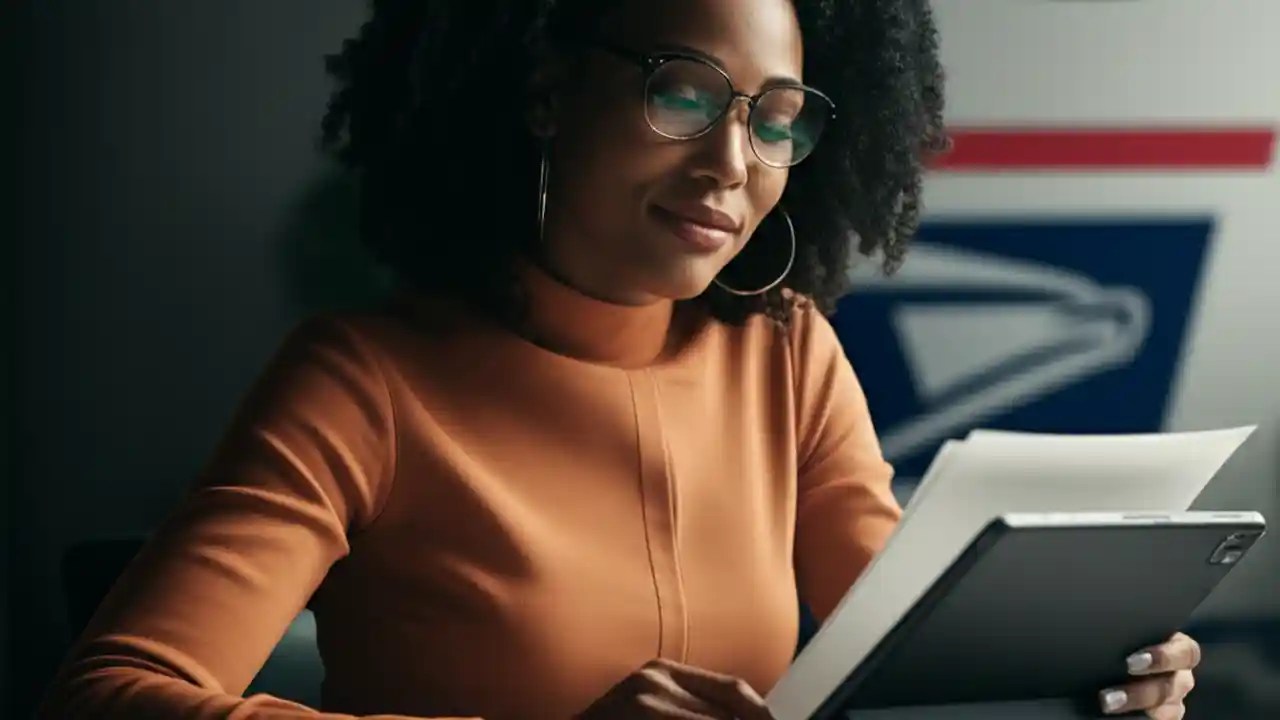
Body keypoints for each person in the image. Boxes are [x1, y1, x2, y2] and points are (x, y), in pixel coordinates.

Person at [39, 1, 1203, 718]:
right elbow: (109, 700)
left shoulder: (785, 352)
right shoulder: (363, 380)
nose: (732, 165)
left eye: (775, 117)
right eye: (685, 93)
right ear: (546, 90)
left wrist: (1093, 682)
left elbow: (904, 653)